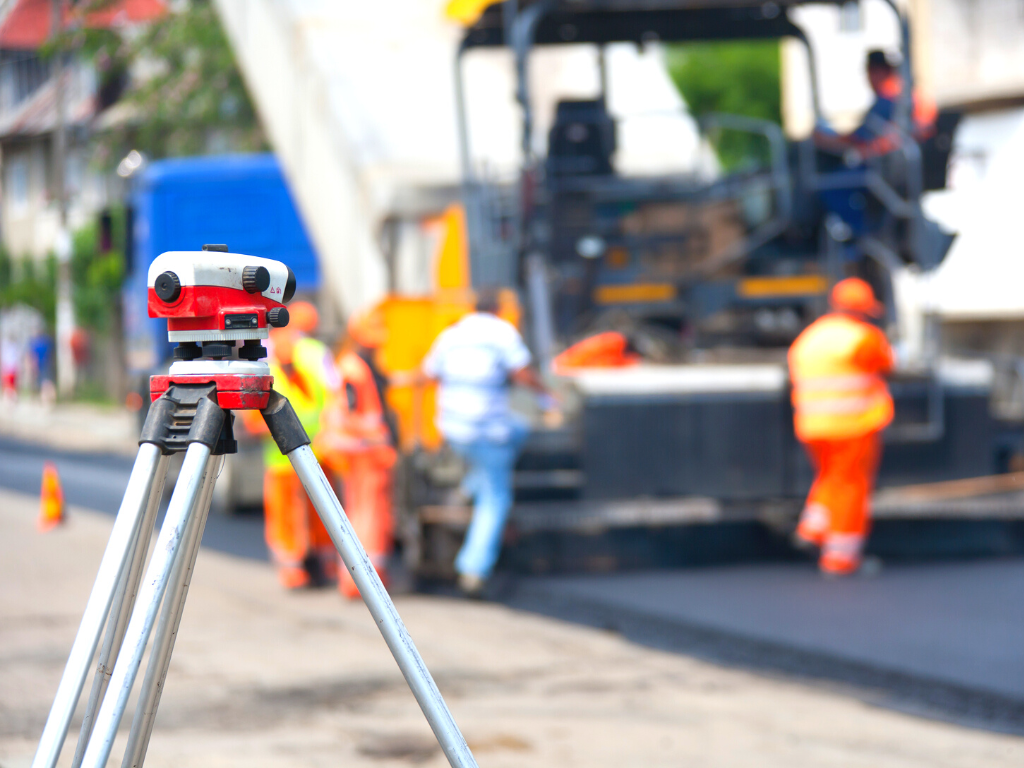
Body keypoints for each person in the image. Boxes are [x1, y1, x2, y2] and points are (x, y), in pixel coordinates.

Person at [421, 288, 558, 596]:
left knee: (514, 434)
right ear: (498, 308)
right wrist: (549, 395)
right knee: (497, 498)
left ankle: (467, 487)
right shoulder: (502, 333)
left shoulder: (452, 334)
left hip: (454, 428)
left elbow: (428, 373)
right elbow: (522, 373)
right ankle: (474, 568)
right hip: (486, 430)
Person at [788, 278, 894, 576]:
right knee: (851, 487)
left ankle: (814, 528)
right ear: (862, 310)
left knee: (830, 476)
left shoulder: (811, 336)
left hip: (813, 424)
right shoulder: (861, 337)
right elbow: (885, 364)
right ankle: (841, 557)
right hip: (852, 425)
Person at [242, 300, 339, 589]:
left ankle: (294, 568)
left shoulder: (264, 355)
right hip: (317, 450)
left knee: (286, 515)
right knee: (321, 510)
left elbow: (252, 404)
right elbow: (335, 397)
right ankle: (324, 563)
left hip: (282, 454)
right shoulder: (317, 353)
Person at [315, 304, 397, 599]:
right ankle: (362, 581)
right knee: (367, 516)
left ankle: (363, 579)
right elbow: (354, 416)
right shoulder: (354, 368)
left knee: (362, 514)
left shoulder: (353, 365)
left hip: (361, 453)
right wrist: (379, 442)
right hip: (362, 454)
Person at [815, 49, 937, 157]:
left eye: (869, 73)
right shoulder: (912, 93)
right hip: (903, 163)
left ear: (878, 72)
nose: (868, 79)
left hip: (886, 170)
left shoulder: (889, 99)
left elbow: (857, 140)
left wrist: (822, 139)